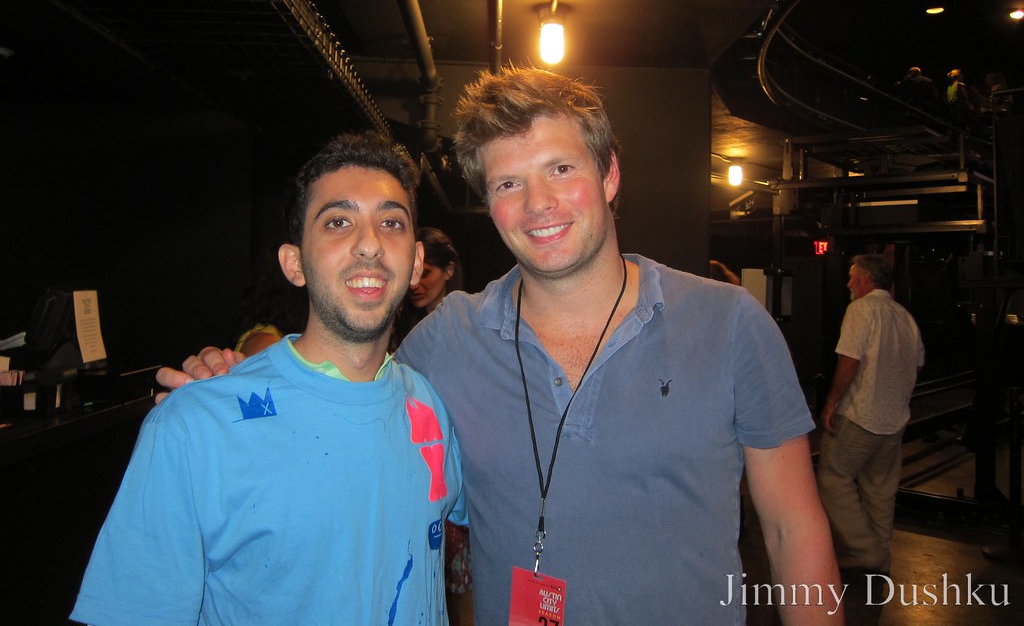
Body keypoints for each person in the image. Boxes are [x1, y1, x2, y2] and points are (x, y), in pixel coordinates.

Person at [161, 66, 842, 624]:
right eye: (509, 183)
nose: (538, 203)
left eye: (560, 170)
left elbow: (792, 531)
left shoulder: (727, 324)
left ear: (609, 176)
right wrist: (237, 386)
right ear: (488, 204)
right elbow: (340, 398)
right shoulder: (448, 340)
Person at [72, 132, 465, 626]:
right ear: (294, 264)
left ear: (415, 263)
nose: (369, 243)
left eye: (391, 222)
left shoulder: (428, 406)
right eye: (339, 221)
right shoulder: (194, 425)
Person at [816, 253, 924, 575]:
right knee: (880, 488)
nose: (848, 282)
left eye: (852, 276)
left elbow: (850, 359)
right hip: (895, 420)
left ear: (865, 280)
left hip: (861, 415)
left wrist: (832, 401)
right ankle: (881, 556)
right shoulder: (905, 316)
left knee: (833, 477)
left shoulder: (860, 309)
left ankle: (866, 552)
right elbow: (916, 364)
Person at [392, 226, 472, 625]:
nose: (419, 282)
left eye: (429, 272)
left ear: (448, 270)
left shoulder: (458, 324)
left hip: (453, 475)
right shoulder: (408, 329)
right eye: (417, 272)